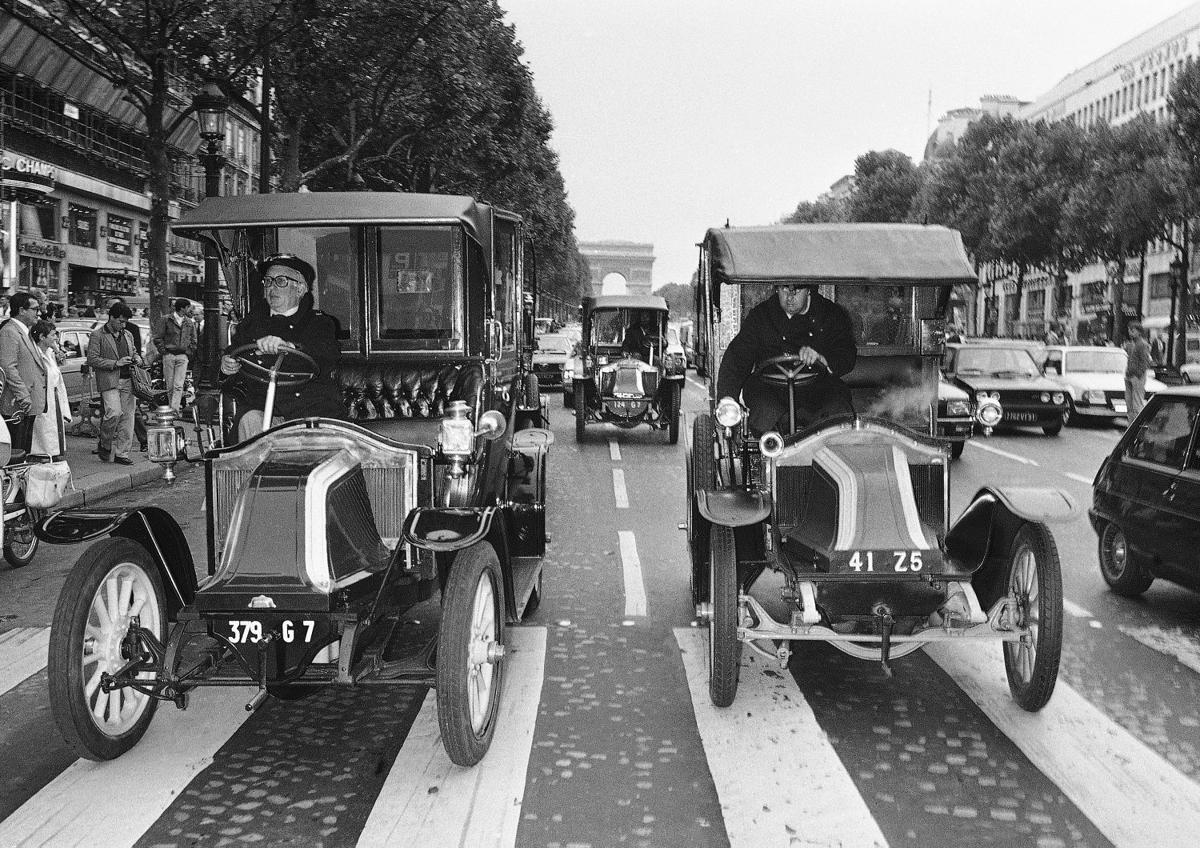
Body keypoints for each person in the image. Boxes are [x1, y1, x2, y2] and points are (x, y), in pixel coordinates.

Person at [221, 254, 345, 441]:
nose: (272, 287)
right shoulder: (251, 324)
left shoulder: (319, 323)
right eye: (268, 281)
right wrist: (226, 367)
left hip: (308, 412)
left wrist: (289, 346)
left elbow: (327, 354)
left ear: (301, 289)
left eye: (281, 281)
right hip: (262, 412)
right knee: (249, 420)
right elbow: (233, 355)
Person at [716, 284, 857, 434]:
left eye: (797, 289)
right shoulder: (761, 316)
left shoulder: (830, 315)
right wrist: (727, 399)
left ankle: (832, 449)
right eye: (784, 289)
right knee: (764, 410)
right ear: (776, 288)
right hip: (769, 387)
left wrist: (823, 358)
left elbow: (846, 352)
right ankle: (767, 451)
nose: (790, 296)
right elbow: (737, 357)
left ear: (809, 289)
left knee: (839, 407)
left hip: (817, 387)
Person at [86, 303, 140, 465]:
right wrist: (116, 363)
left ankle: (122, 453)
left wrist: (137, 358)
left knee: (128, 417)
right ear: (112, 318)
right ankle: (105, 443)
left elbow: (135, 352)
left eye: (125, 322)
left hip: (129, 380)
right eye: (121, 322)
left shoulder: (128, 334)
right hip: (110, 381)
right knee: (114, 413)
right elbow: (92, 359)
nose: (123, 325)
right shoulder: (98, 335)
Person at [0, 291, 47, 454]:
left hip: (27, 403)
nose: (39, 312)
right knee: (16, 452)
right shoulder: (9, 332)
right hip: (17, 404)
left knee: (23, 451)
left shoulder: (24, 331)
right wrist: (23, 395)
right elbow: (7, 367)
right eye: (35, 309)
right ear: (21, 310)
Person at [28, 320, 69, 461]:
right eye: (53, 335)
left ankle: (53, 452)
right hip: (42, 397)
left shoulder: (50, 352)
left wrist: (57, 350)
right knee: (43, 428)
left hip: (54, 396)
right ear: (42, 337)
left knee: (53, 426)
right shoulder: (35, 355)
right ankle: (42, 454)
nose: (56, 338)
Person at [154, 297, 197, 412]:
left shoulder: (189, 322)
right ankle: (173, 408)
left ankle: (174, 409)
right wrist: (164, 351)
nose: (189, 309)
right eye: (188, 307)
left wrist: (188, 351)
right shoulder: (166, 320)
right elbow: (158, 337)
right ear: (183, 308)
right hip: (169, 354)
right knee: (170, 383)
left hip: (182, 355)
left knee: (178, 384)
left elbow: (193, 339)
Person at [1123, 323, 1153, 418]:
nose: (1130, 333)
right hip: (1129, 376)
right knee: (1129, 404)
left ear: (1139, 332)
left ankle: (1136, 427)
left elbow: (1145, 361)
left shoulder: (1143, 344)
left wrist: (1138, 374)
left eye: (1133, 331)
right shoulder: (1130, 344)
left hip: (1137, 377)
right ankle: (1130, 426)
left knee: (1137, 404)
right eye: (1129, 330)